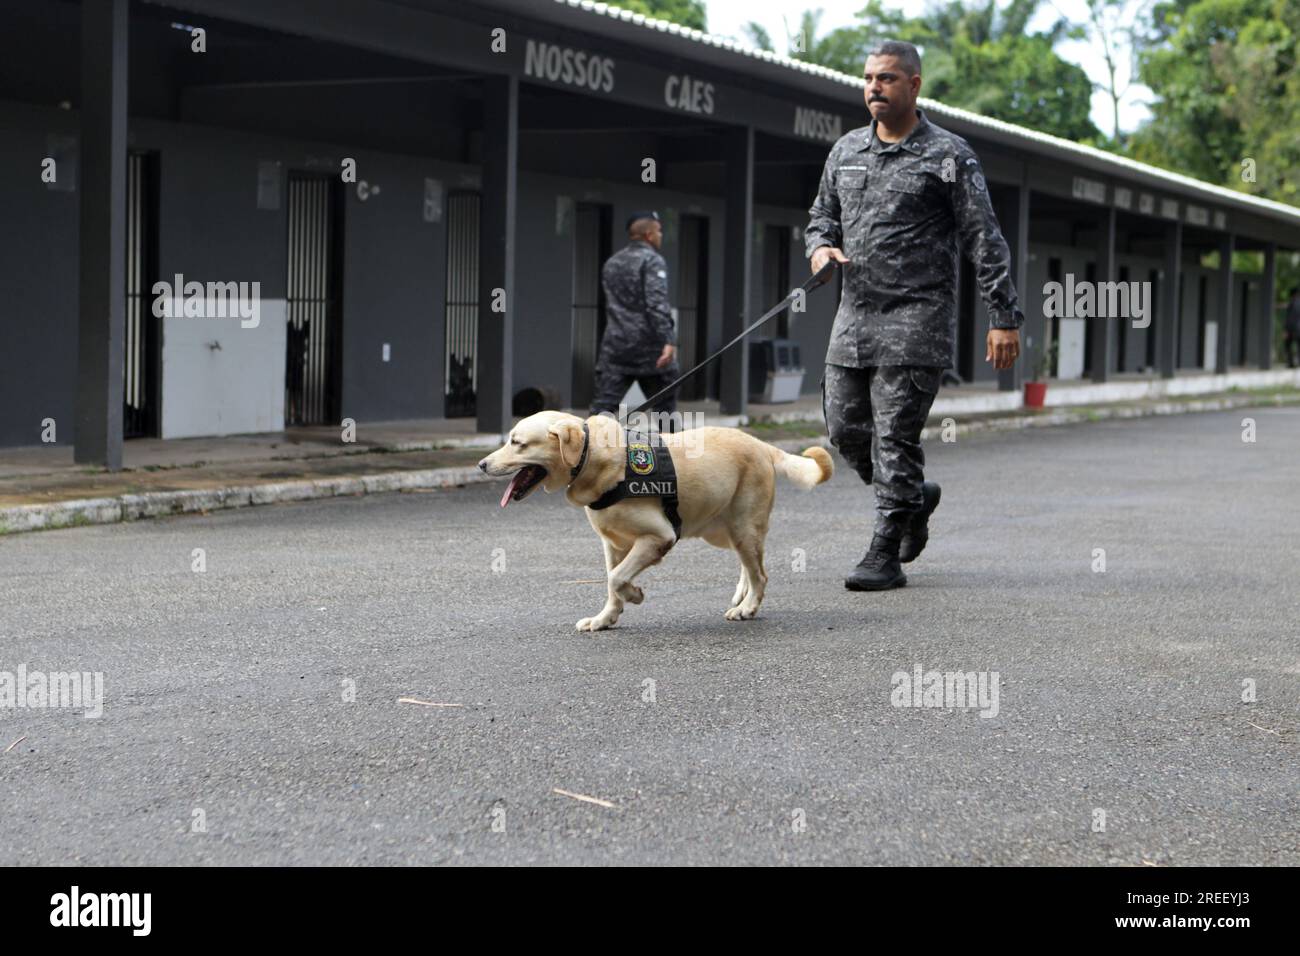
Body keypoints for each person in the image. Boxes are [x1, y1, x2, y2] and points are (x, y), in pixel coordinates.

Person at [805, 40, 1024, 591]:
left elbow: (983, 237)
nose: (874, 87)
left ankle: (885, 552)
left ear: (914, 85)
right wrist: (820, 249)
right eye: (868, 78)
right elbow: (820, 217)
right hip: (853, 316)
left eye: (887, 79)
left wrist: (1003, 315)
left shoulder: (949, 156)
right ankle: (912, 497)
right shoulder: (845, 151)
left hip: (918, 318)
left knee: (894, 437)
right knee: (845, 430)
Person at [591, 211, 679, 429]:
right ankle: (675, 460)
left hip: (616, 349)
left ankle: (583, 456)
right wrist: (668, 340)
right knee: (665, 417)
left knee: (601, 414)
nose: (661, 235)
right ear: (649, 235)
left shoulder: (612, 262)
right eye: (659, 231)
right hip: (651, 352)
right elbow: (656, 304)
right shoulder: (652, 260)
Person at [1283, 288, 1300, 368]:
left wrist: (1286, 330)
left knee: (1287, 345)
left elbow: (1290, 318)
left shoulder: (1292, 303)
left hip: (1293, 329)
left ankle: (1291, 363)